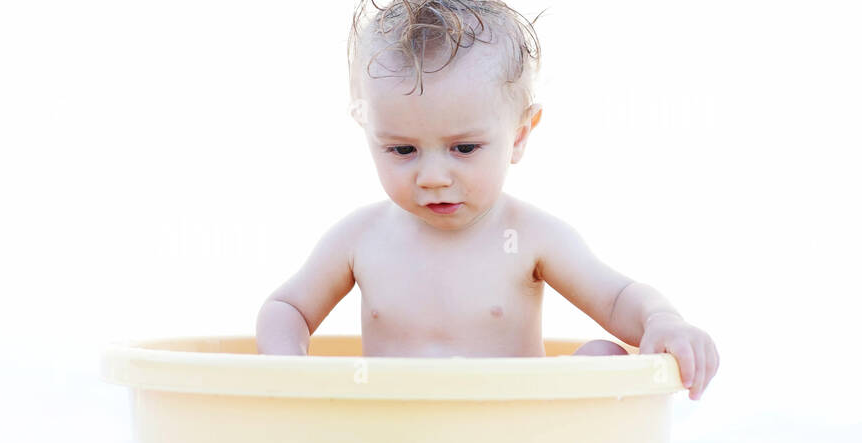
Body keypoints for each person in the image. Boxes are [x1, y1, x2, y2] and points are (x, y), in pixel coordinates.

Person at [255, 0, 719, 400]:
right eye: (401, 149)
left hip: (509, 432)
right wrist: (288, 367)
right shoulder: (358, 239)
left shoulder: (532, 235)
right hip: (394, 431)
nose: (433, 177)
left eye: (464, 148)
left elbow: (618, 299)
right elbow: (288, 308)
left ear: (518, 136)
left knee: (603, 357)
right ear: (368, 132)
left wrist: (663, 321)